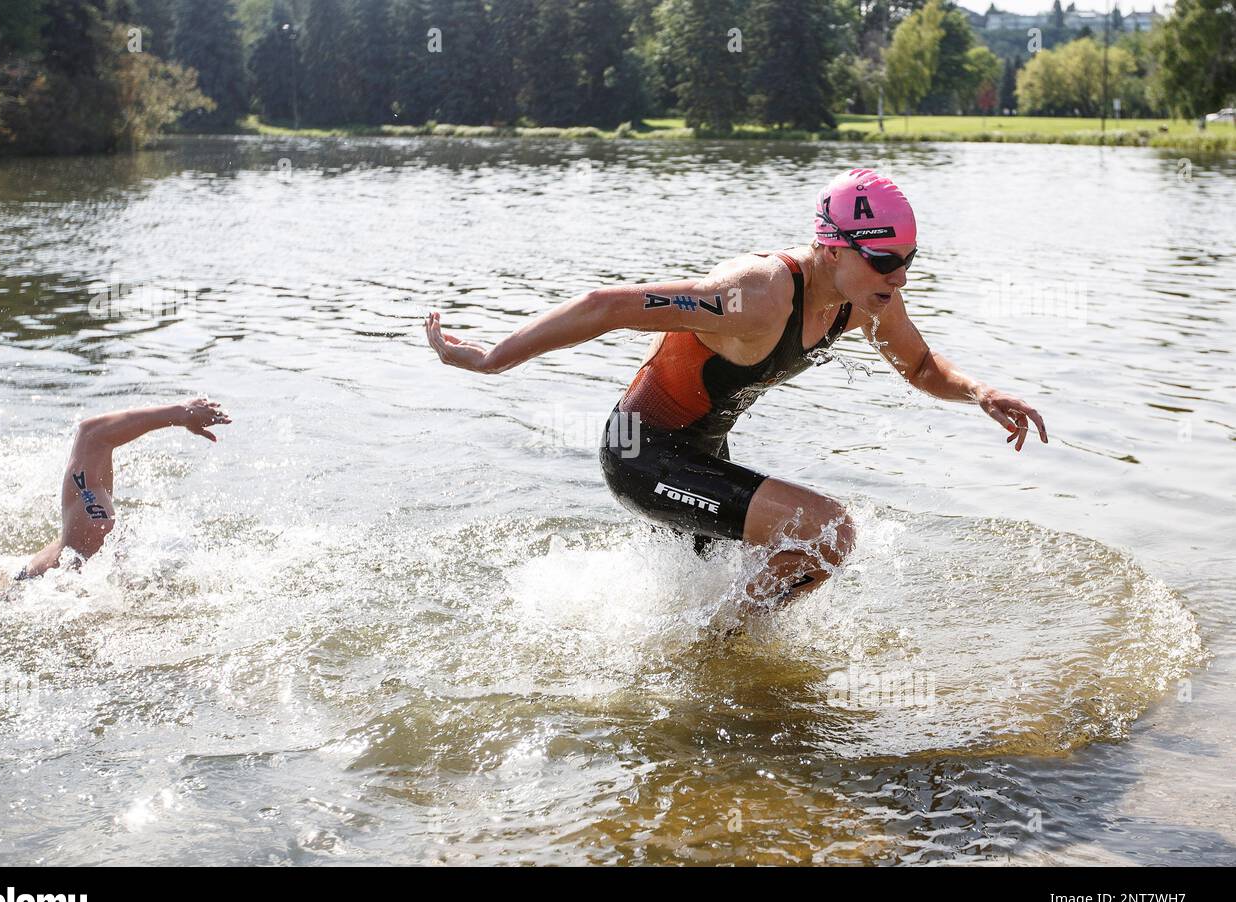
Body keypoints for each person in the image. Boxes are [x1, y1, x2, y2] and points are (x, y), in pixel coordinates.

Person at [423, 169, 1047, 607]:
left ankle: (705, 659)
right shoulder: (755, 296)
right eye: (885, 260)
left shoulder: (868, 300)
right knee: (826, 532)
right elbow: (608, 305)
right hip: (643, 455)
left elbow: (918, 368)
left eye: (909, 258)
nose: (899, 273)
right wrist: (492, 360)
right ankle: (718, 656)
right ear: (833, 249)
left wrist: (980, 394)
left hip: (700, 460)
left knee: (775, 563)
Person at [15, 398, 231, 580]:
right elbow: (91, 434)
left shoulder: (96, 549)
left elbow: (94, 435)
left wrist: (181, 413)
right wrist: (180, 413)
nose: (123, 537)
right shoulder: (94, 531)